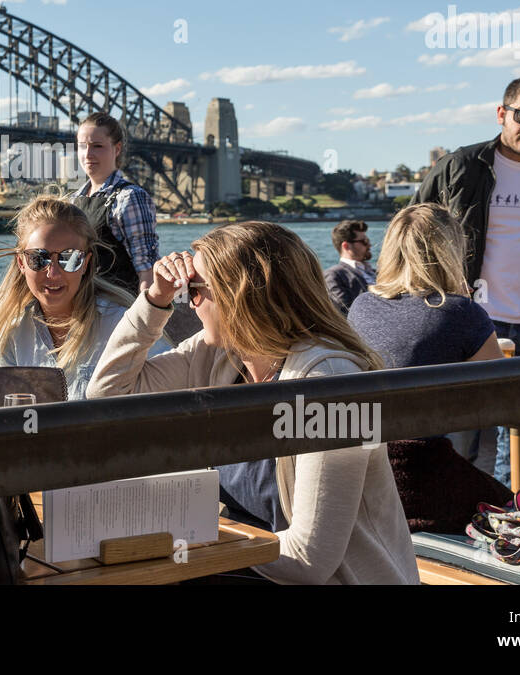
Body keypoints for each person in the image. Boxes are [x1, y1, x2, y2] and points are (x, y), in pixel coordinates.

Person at [88, 223, 418, 585]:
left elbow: (309, 560)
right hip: (245, 564)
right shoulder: (218, 356)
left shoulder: (329, 382)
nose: (189, 303)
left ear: (239, 296)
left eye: (195, 291)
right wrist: (154, 299)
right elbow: (107, 396)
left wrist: (187, 542)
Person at [413, 75, 520, 485]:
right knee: (460, 427)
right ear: (502, 114)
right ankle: (448, 516)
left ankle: (509, 513)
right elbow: (412, 229)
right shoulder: (461, 166)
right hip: (468, 316)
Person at [346, 204, 513, 531]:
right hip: (414, 474)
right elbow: (504, 397)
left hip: (361, 470)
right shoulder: (460, 312)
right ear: (451, 251)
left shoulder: (361, 304)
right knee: (511, 508)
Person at [0, 195, 167, 399]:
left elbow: (170, 390)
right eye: (39, 259)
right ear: (21, 263)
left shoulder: (121, 324)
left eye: (69, 259)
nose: (53, 273)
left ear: (86, 263)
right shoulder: (14, 335)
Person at [69, 112, 159, 295]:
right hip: (80, 308)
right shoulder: (73, 200)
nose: (88, 154)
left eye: (97, 146)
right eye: (82, 146)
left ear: (117, 149)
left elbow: (147, 269)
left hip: (117, 309)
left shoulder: (129, 197)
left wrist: (145, 316)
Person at [323, 219, 376, 315]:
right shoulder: (334, 275)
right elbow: (346, 312)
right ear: (346, 246)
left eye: (367, 240)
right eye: (364, 241)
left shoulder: (376, 272)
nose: (369, 245)